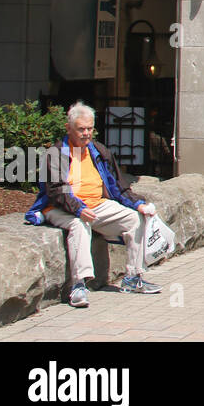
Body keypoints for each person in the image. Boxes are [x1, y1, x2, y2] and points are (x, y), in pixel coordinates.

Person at [24, 102, 162, 307]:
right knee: (79, 225)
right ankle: (78, 285)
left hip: (96, 205)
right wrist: (78, 209)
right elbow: (56, 191)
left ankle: (133, 277)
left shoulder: (99, 151)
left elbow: (117, 185)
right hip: (60, 208)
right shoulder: (56, 153)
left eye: (89, 128)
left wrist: (137, 204)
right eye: (81, 129)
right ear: (68, 128)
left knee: (134, 218)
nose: (86, 133)